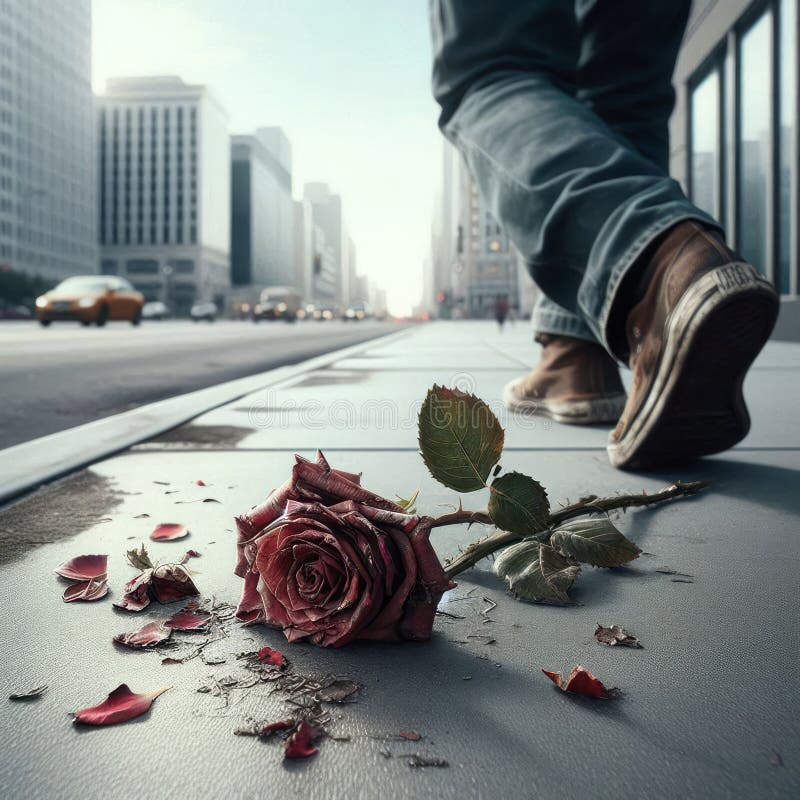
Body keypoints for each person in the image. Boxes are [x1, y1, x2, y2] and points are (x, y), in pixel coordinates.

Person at [429, 1, 779, 469]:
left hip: (646, 257)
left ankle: (659, 277)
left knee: (491, 70)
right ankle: (575, 354)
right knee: (626, 93)